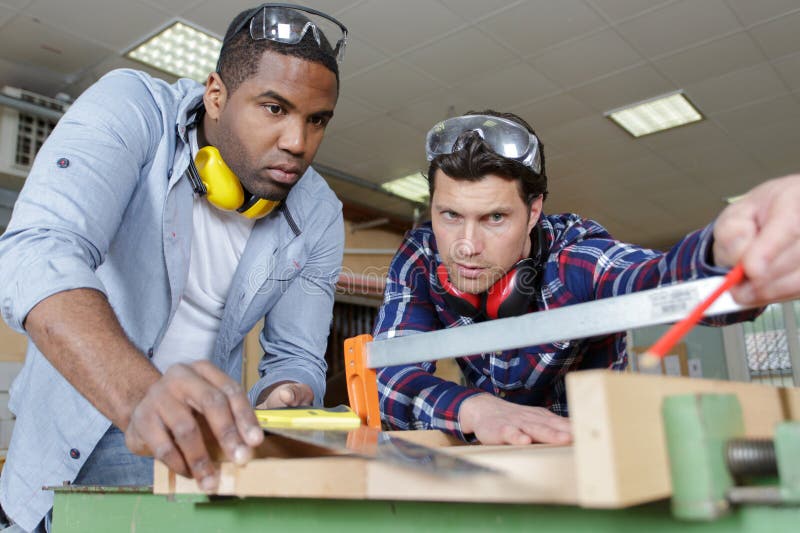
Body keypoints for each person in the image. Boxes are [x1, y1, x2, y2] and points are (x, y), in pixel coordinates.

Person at [0, 4, 348, 531]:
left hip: (199, 451)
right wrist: (143, 395)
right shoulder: (133, 109)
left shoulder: (319, 213)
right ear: (216, 95)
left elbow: (297, 356)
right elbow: (39, 251)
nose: (298, 143)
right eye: (274, 108)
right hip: (77, 427)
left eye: (316, 119)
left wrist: (286, 391)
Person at [373, 110, 799, 447]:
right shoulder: (421, 256)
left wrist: (721, 256)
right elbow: (388, 379)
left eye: (495, 217)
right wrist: (474, 409)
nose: (466, 245)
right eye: (450, 215)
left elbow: (656, 277)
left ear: (533, 211)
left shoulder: (576, 259)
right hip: (496, 454)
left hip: (594, 450)